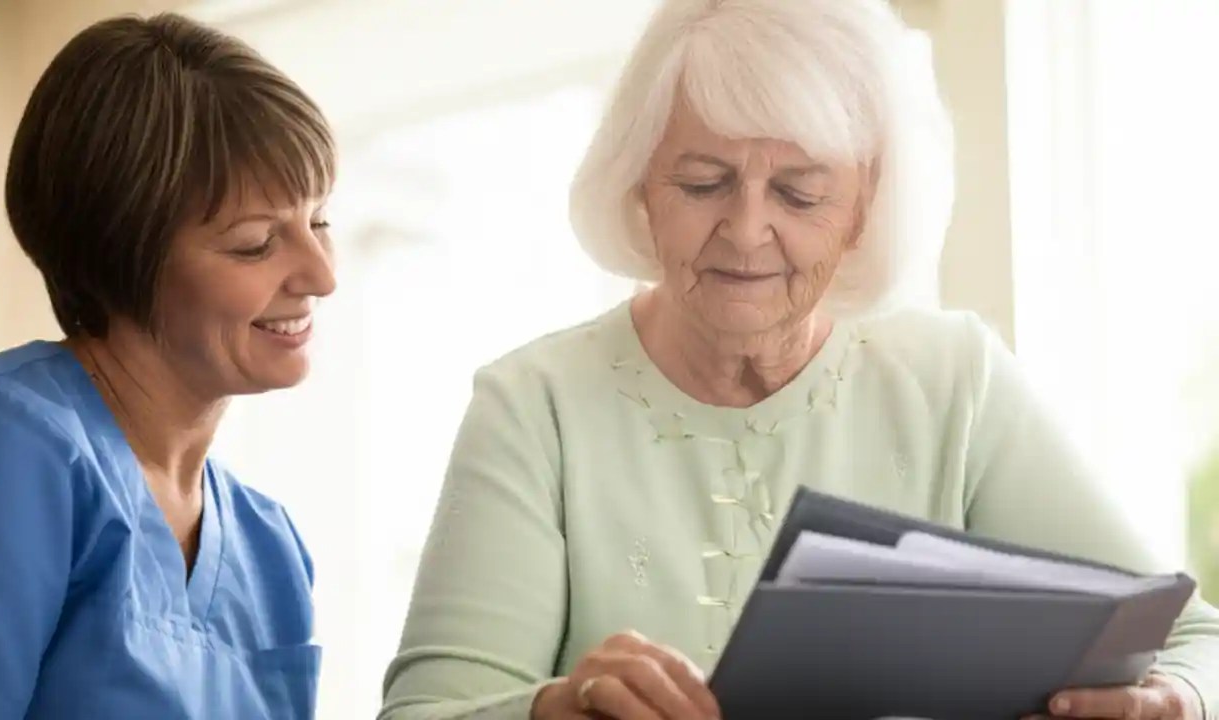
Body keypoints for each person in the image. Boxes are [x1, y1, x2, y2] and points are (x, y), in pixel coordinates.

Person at [379, 0, 1219, 718]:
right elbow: (424, 711)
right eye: (703, 183)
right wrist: (557, 707)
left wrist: (1176, 697)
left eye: (799, 193)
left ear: (864, 208)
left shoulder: (953, 377)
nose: (747, 232)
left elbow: (1193, 637)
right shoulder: (535, 406)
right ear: (639, 185)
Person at [0, 13, 335, 720]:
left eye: (320, 222)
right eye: (254, 244)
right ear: (125, 258)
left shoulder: (269, 544)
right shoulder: (14, 438)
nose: (321, 274)